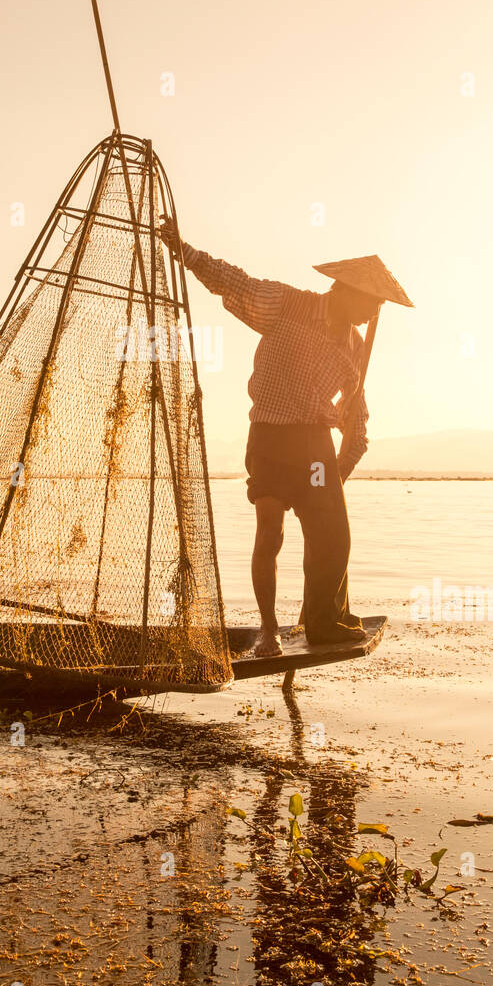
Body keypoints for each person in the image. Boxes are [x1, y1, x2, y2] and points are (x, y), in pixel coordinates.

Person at [158, 219, 413, 657]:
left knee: (332, 534)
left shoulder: (354, 346)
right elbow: (233, 283)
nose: (374, 313)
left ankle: (324, 622)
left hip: (314, 451)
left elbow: (358, 423)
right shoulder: (287, 305)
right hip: (272, 440)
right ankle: (268, 631)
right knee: (269, 534)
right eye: (371, 302)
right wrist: (186, 251)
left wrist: (336, 471)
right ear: (343, 290)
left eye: (378, 306)